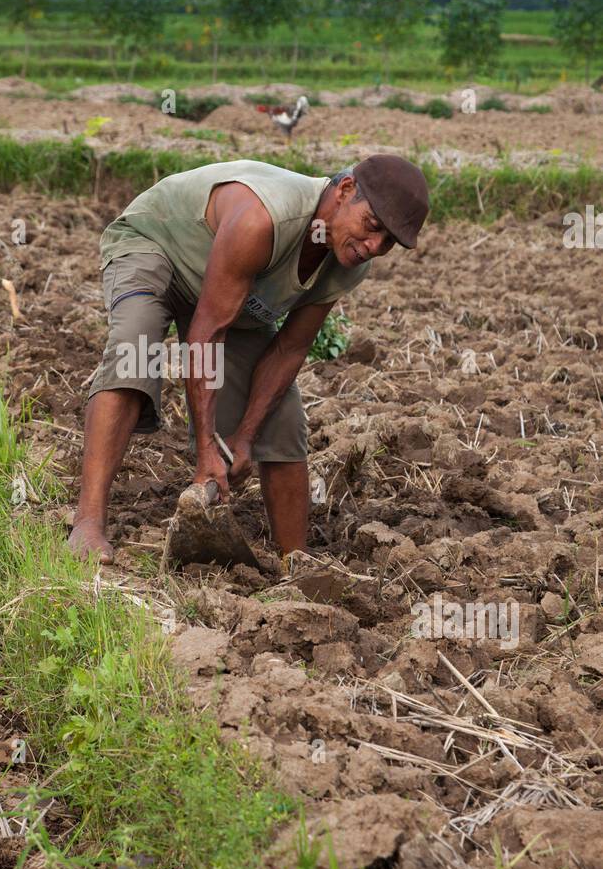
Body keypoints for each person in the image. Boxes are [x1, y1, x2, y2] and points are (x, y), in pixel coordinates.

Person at [68, 154, 429, 563]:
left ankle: (295, 564)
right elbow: (206, 334)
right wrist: (206, 451)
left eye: (388, 244)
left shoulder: (347, 259)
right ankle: (87, 525)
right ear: (345, 191)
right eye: (373, 226)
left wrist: (245, 437)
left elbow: (289, 349)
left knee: (283, 418)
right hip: (157, 246)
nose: (373, 247)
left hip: (228, 287)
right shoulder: (265, 218)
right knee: (136, 355)